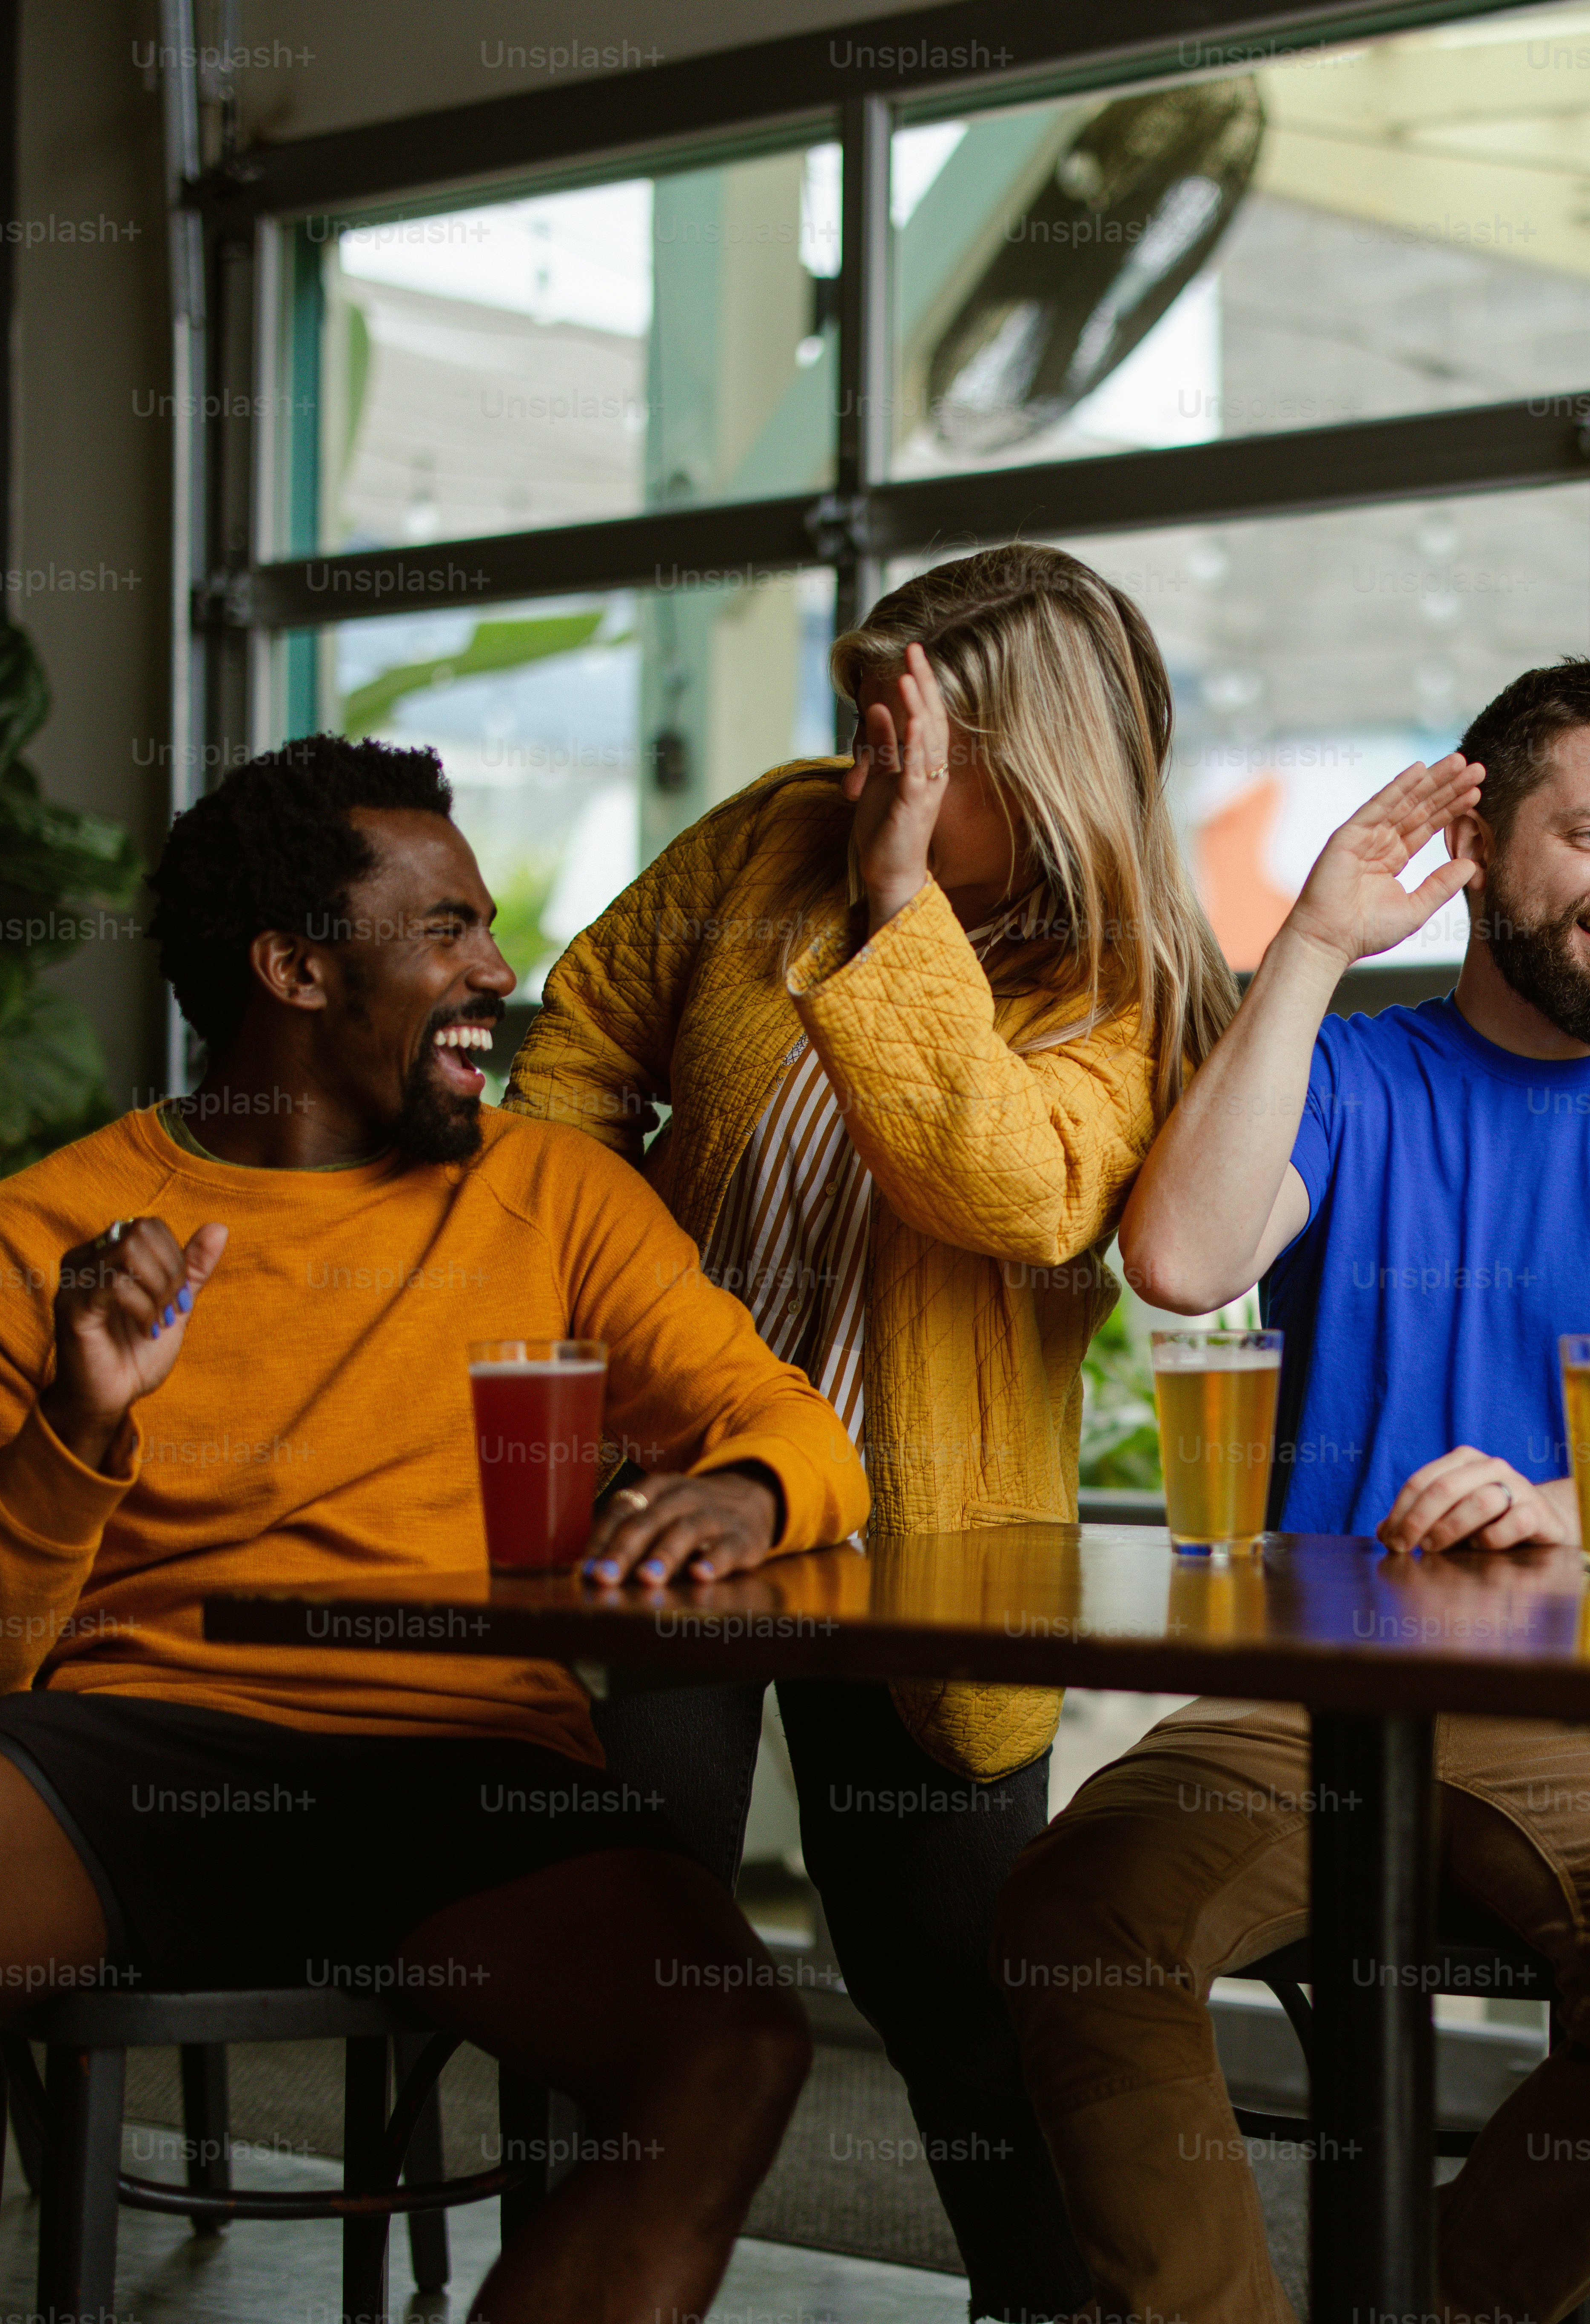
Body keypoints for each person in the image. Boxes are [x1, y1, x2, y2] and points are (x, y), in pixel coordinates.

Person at [0, 737, 868, 2324]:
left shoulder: (554, 1196)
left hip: (465, 1764)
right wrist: (80, 1424)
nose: (496, 964)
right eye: (448, 926)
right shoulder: (35, 1236)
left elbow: (799, 1427)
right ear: (296, 969)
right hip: (126, 1754)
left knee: (730, 2041)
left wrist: (746, 1486)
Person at [997, 660, 1590, 2324]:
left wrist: (1559, 1502)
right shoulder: (1359, 1074)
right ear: (1479, 848)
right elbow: (1177, 1258)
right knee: (1071, 1922)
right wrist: (1309, 944)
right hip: (1310, 1702)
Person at [504, 543, 1235, 2321]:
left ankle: (1046, 2307)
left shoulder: (1123, 974)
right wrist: (610, 1282)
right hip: (675, 1483)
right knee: (623, 1939)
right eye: (864, 731)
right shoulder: (769, 834)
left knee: (954, 1983)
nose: (869, 775)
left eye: (918, 747)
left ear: (1035, 763)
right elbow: (581, 1044)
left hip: (931, 1543)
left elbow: (1011, 1188)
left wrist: (899, 894)